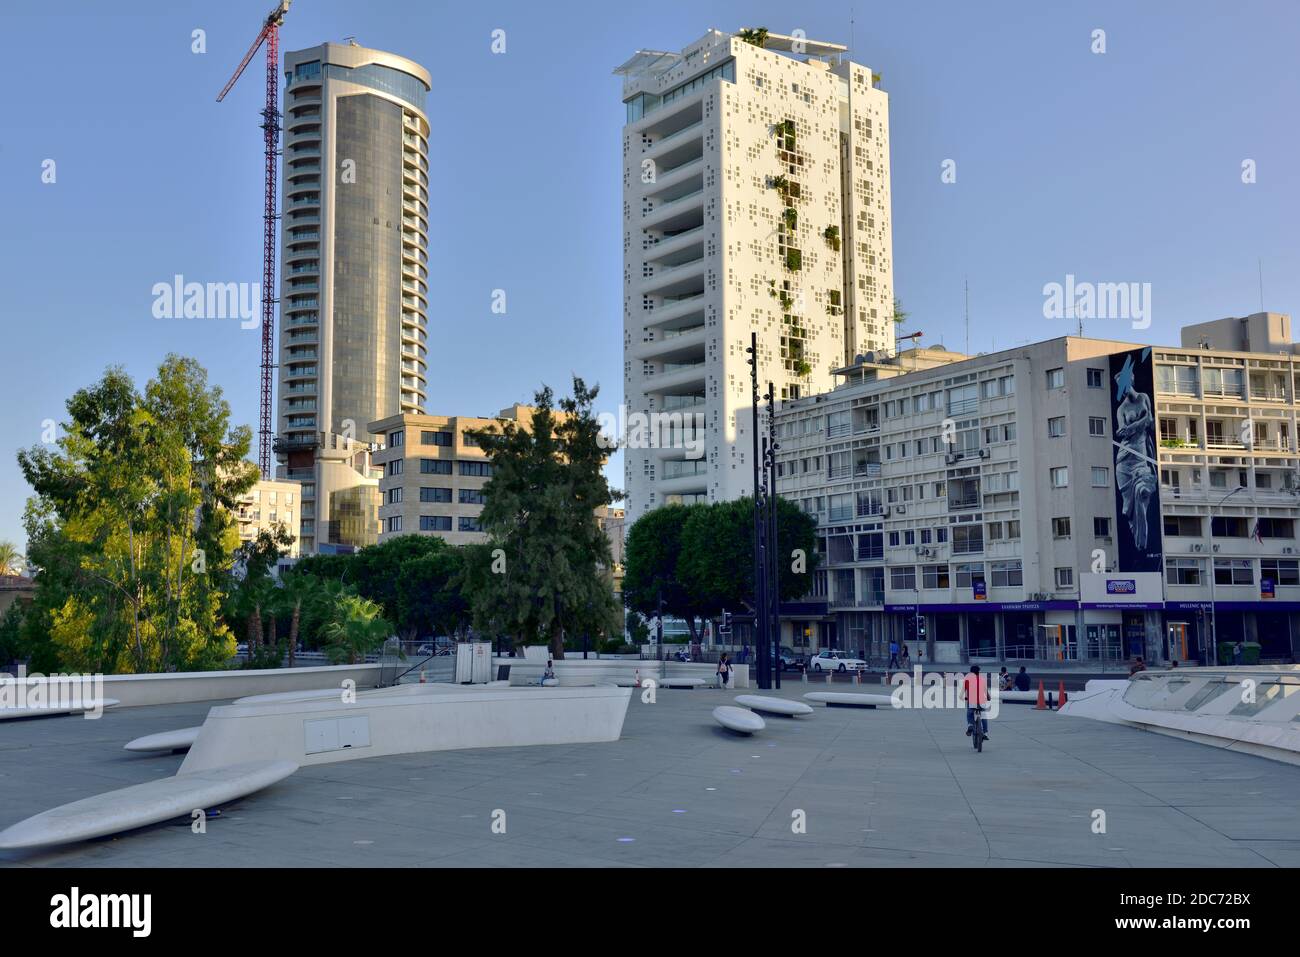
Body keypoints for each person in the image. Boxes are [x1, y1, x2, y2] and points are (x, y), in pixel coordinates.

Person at [963, 665, 989, 739]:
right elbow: (985, 691)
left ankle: (970, 725)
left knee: (969, 713)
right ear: (978, 672)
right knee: (984, 716)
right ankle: (985, 733)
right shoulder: (982, 679)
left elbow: (965, 690)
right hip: (982, 702)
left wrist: (965, 697)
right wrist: (988, 697)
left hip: (972, 702)